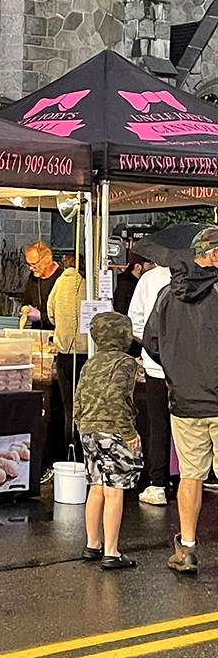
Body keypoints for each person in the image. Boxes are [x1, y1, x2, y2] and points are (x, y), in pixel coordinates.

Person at [144, 226, 218, 575]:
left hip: (185, 401)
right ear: (214, 254)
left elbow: (151, 345)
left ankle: (187, 548)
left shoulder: (166, 294)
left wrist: (178, 371)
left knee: (190, 476)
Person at [74, 312, 142, 569]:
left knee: (96, 487)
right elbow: (116, 397)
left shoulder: (90, 362)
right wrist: (129, 433)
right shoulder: (125, 362)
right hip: (113, 431)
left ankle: (92, 544)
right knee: (115, 490)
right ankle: (112, 552)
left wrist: (81, 425)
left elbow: (78, 397)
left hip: (88, 430)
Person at [128, 263, 172, 506]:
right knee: (193, 424)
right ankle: (195, 479)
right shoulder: (203, 278)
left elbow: (134, 323)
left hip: (156, 365)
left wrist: (150, 345)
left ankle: (158, 483)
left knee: (158, 425)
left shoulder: (149, 278)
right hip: (193, 368)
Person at [47, 254, 88, 453]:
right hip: (85, 353)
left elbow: (50, 312)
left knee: (68, 408)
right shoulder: (88, 286)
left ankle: (68, 451)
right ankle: (83, 452)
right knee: (84, 408)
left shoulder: (59, 284)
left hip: (64, 353)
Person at [20, 242, 63, 329]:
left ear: (47, 260)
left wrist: (41, 316)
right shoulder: (33, 277)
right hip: (36, 330)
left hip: (55, 332)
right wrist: (25, 309)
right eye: (29, 264)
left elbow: (63, 314)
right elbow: (26, 300)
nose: (31, 268)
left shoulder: (62, 278)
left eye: (34, 264)